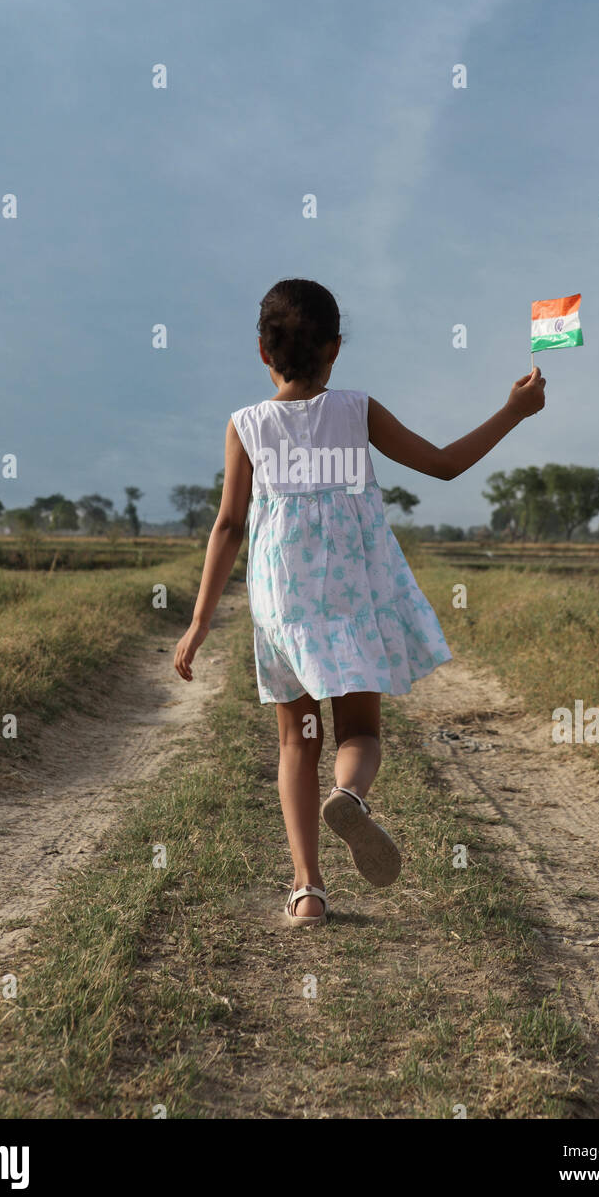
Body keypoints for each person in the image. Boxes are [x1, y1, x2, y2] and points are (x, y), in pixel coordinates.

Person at [174, 278, 546, 926]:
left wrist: (199, 621)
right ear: (336, 349)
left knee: (297, 742)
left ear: (263, 351)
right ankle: (349, 795)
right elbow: (444, 464)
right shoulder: (357, 410)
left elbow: (229, 526)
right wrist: (513, 411)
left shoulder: (246, 426)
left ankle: (308, 891)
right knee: (361, 731)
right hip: (354, 595)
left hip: (282, 599)